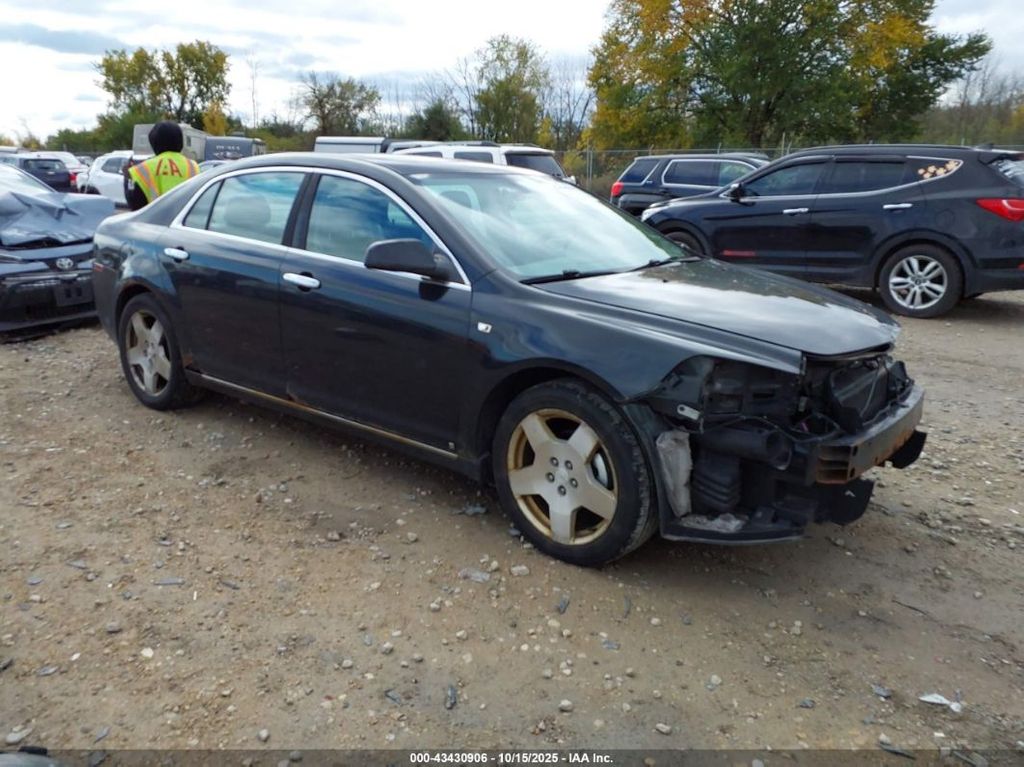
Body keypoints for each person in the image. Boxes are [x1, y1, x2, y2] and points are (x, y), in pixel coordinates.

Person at [124, 122, 199, 211]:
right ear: (180, 141)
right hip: (185, 218)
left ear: (154, 142)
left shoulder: (141, 170)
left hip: (154, 219)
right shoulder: (193, 167)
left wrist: (127, 178)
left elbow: (134, 205)